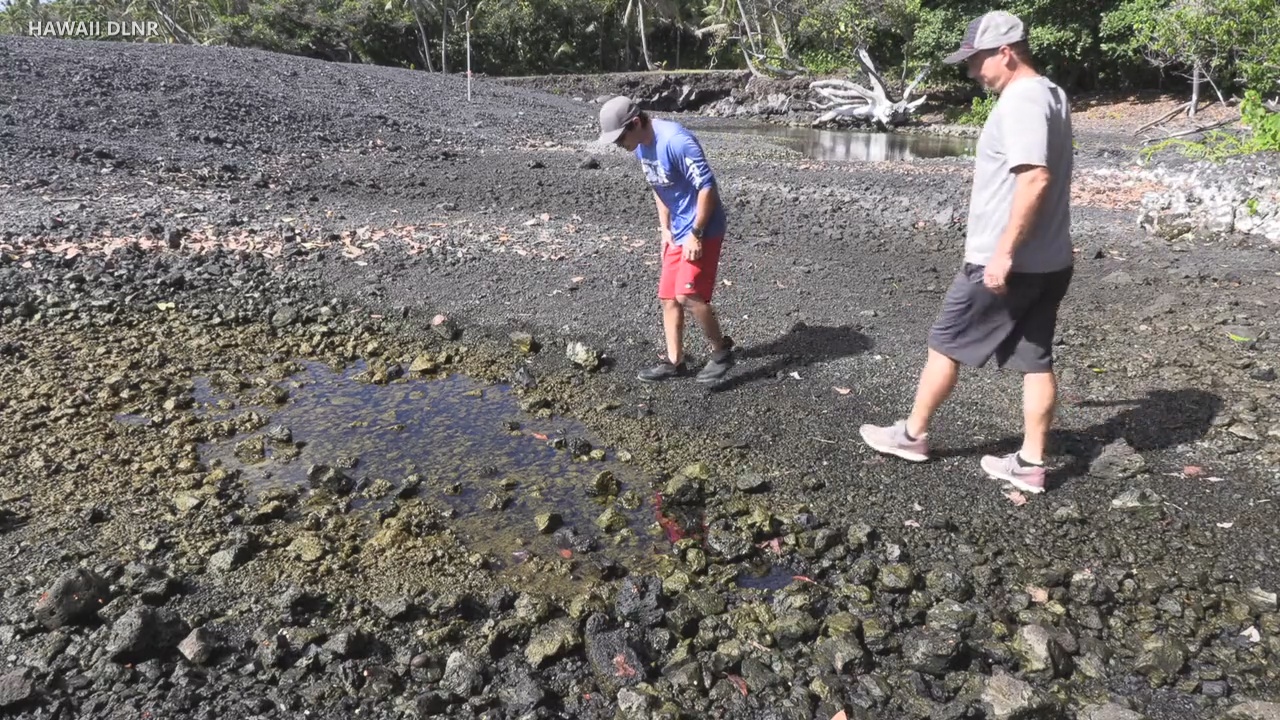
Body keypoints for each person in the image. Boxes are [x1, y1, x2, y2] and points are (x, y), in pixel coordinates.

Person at [858, 10, 1075, 494]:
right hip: (1052, 259)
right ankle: (1031, 464)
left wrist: (1002, 254)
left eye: (977, 61)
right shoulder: (1053, 95)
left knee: (945, 342)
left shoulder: (1020, 101)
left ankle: (912, 435)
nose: (973, 72)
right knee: (1036, 360)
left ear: (1006, 52)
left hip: (1007, 262)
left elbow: (1035, 177)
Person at [596, 96, 735, 383]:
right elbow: (659, 186)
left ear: (635, 123)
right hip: (678, 230)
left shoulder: (676, 141)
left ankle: (721, 351)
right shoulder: (640, 147)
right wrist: (665, 230)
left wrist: (696, 234)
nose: (619, 145)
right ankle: (675, 362)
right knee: (668, 297)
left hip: (703, 227)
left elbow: (707, 188)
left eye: (620, 138)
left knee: (688, 295)